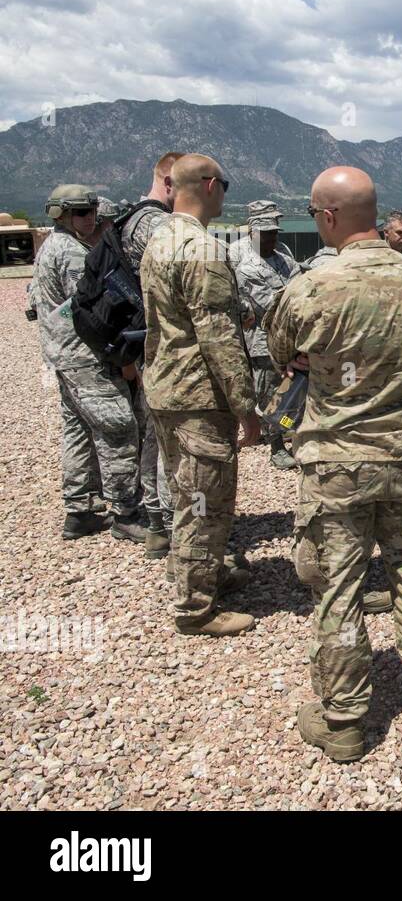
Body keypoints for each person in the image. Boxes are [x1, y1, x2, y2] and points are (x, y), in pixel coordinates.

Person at [266, 166, 402, 763]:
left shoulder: (310, 286)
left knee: (338, 590)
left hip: (336, 463)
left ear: (328, 217)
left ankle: (345, 723)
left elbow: (285, 355)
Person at [140, 154, 261, 637]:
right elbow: (220, 339)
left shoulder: (158, 240)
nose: (225, 193)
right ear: (210, 185)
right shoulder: (203, 249)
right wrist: (246, 408)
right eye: (225, 184)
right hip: (198, 395)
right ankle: (196, 607)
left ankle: (194, 571)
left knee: (183, 490)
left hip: (167, 389)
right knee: (204, 503)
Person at [29, 185, 146, 543]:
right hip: (86, 357)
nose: (91, 218)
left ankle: (79, 510)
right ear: (61, 215)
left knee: (78, 430)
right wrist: (122, 357)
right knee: (119, 428)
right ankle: (126, 512)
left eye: (92, 212)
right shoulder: (71, 253)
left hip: (66, 357)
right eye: (82, 213)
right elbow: (96, 310)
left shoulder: (55, 246)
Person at [120, 152, 184, 558]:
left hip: (143, 345)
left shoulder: (129, 219)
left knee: (152, 436)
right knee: (169, 443)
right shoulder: (158, 224)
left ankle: (157, 521)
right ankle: (177, 533)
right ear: (169, 182)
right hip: (160, 348)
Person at [232, 200, 300, 470]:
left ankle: (287, 431)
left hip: (291, 336)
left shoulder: (282, 254)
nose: (272, 237)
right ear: (252, 231)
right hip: (262, 340)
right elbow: (263, 304)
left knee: (292, 391)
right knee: (269, 394)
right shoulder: (240, 258)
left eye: (274, 231)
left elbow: (297, 287)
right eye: (266, 232)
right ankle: (276, 445)